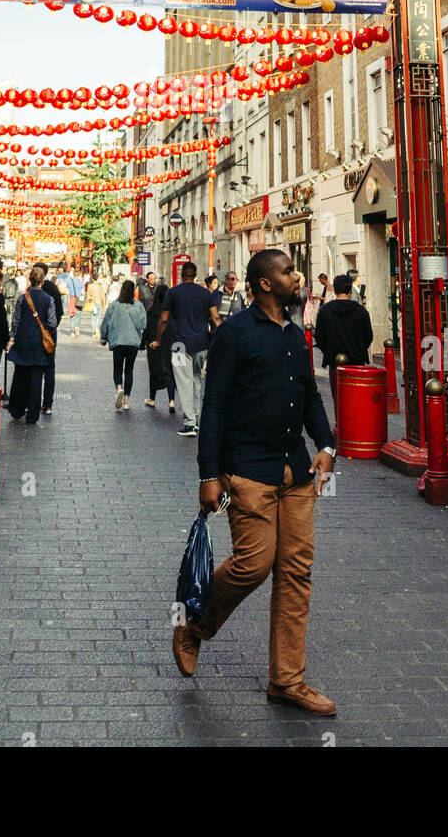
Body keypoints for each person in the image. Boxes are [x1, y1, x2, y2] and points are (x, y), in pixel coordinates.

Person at [172, 248, 337, 715]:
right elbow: (215, 404)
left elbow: (308, 394)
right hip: (247, 471)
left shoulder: (295, 333)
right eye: (287, 271)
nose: (296, 276)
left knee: (296, 574)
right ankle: (195, 624)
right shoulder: (235, 334)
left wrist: (326, 446)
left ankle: (287, 680)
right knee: (253, 565)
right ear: (266, 283)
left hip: (297, 471)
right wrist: (208, 474)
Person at [152, 260, 220, 437]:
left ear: (182, 275)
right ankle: (196, 418)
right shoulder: (206, 293)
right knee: (197, 380)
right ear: (196, 275)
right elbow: (215, 318)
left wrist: (158, 339)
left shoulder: (173, 292)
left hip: (179, 344)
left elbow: (165, 318)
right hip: (202, 343)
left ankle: (190, 423)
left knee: (183, 382)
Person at [313, 273, 375, 428]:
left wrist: (329, 351)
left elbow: (319, 337)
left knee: (338, 396)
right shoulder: (361, 312)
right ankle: (356, 426)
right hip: (357, 360)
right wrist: (360, 349)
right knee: (357, 395)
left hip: (335, 361)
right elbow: (368, 336)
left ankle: (340, 424)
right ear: (349, 291)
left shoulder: (325, 311)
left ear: (335, 291)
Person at [6, 266, 57, 427]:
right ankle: (32, 415)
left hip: (23, 342)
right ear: (42, 281)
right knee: (36, 380)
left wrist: (12, 339)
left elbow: (15, 321)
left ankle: (17, 409)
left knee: (20, 377)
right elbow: (53, 322)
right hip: (39, 344)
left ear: (30, 280)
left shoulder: (23, 298)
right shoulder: (49, 299)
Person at [101, 278, 147, 412]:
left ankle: (119, 388)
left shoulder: (114, 305)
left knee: (117, 369)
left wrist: (104, 338)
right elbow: (143, 324)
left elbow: (105, 323)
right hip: (133, 342)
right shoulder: (138, 306)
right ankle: (126, 401)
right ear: (133, 291)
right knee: (129, 371)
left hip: (118, 341)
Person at [33, 261, 63, 414]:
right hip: (50, 334)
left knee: (36, 368)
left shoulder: (29, 291)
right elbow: (59, 312)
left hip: (35, 333)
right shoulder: (53, 289)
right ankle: (48, 404)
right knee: (49, 369)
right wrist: (52, 329)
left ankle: (34, 402)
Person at [143, 277, 174, 412]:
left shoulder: (152, 309)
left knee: (154, 371)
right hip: (169, 343)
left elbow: (148, 327)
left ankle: (152, 399)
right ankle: (172, 400)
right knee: (169, 371)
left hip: (153, 343)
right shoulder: (172, 310)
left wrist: (143, 342)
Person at [86, 273, 106, 339]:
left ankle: (94, 331)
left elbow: (88, 296)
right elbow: (103, 296)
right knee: (98, 318)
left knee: (93, 318)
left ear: (92, 278)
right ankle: (97, 329)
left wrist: (87, 302)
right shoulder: (100, 286)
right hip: (99, 303)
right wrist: (104, 305)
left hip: (93, 303)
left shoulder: (90, 286)